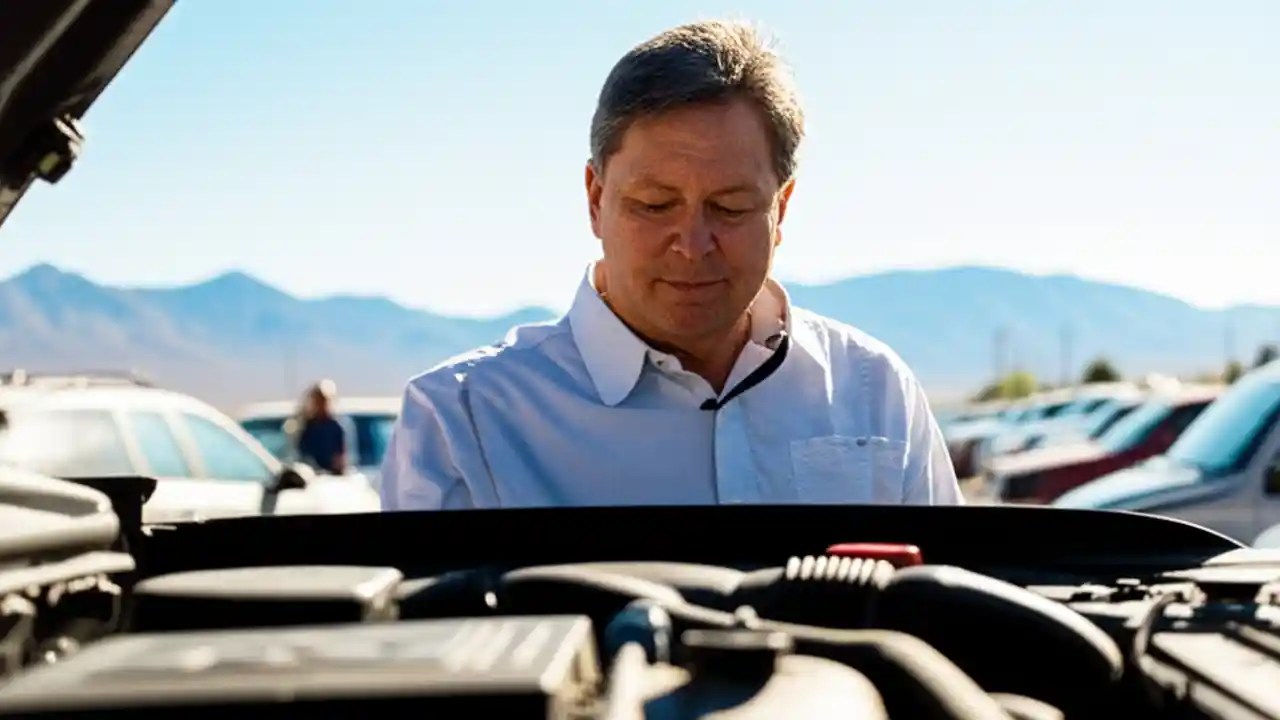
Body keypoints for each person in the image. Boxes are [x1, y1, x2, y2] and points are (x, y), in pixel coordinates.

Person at [380, 19, 962, 510]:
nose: (692, 243)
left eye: (729, 208)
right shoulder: (464, 422)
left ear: (781, 209)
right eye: (654, 205)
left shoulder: (873, 391)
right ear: (595, 199)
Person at [295, 379, 347, 475]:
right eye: (318, 400)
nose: (320, 404)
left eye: (323, 400)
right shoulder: (308, 427)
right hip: (310, 475)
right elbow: (302, 453)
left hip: (331, 477)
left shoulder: (335, 428)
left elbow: (340, 456)